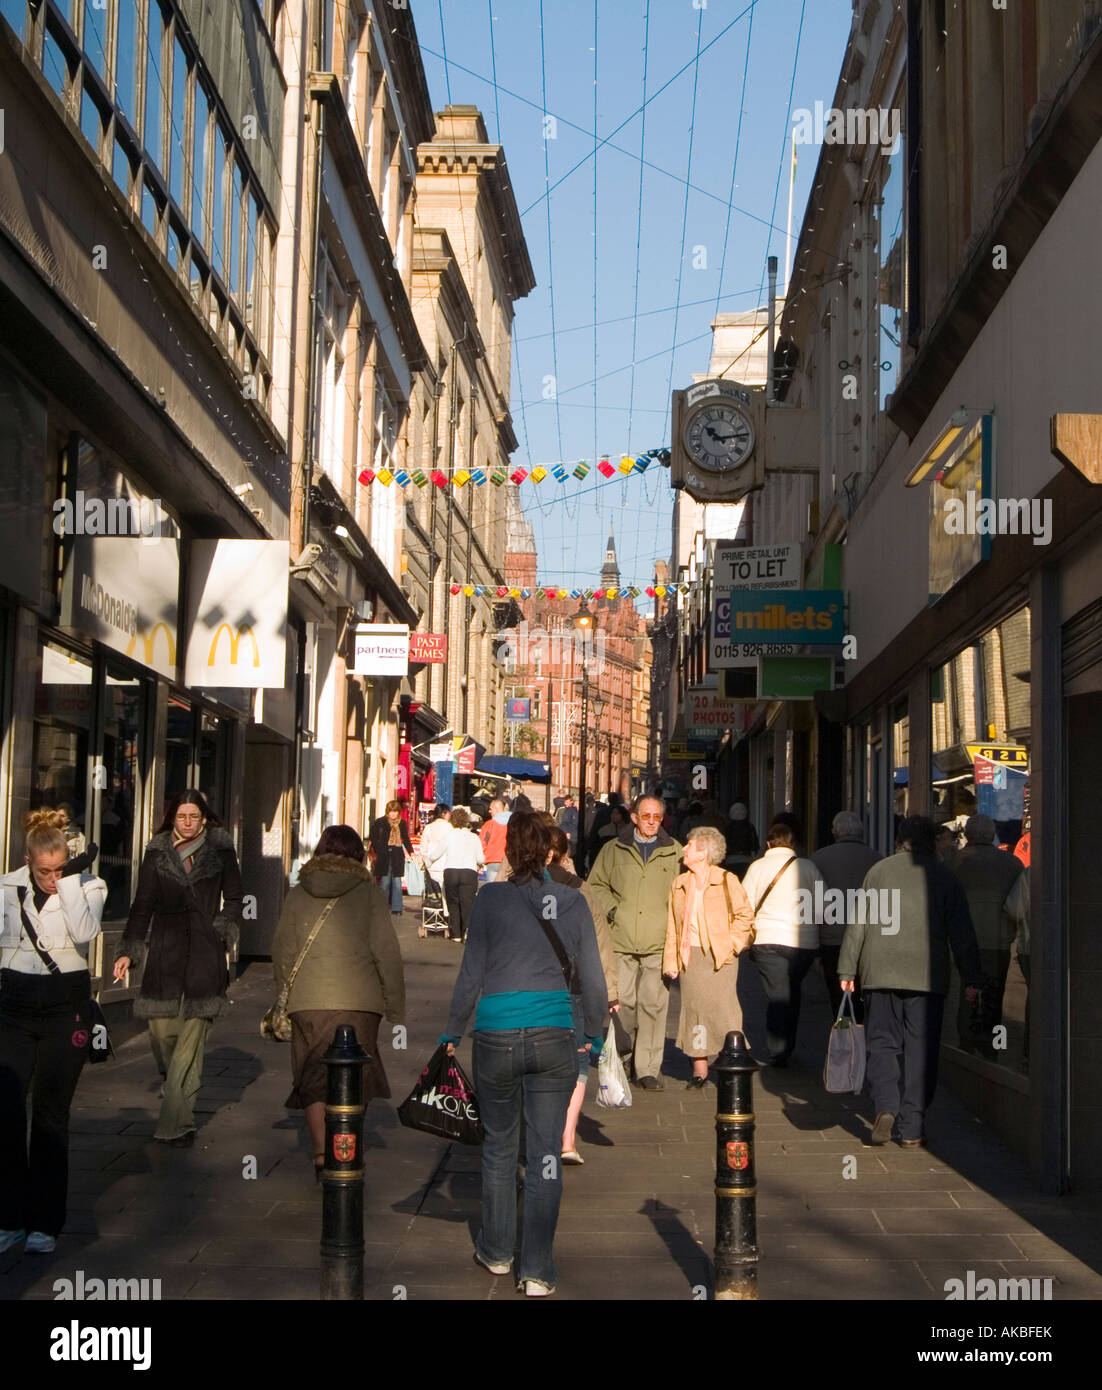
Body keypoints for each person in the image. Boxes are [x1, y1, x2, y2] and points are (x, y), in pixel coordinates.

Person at [441, 813, 606, 1296]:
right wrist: (591, 1034)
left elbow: (471, 974)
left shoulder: (490, 899)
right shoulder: (573, 902)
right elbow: (593, 981)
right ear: (552, 850)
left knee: (497, 1148)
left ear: (509, 850)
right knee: (545, 1156)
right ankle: (536, 1270)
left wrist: (452, 1031)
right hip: (554, 1035)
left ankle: (495, 1251)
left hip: (494, 1035)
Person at [839, 815, 983, 1147]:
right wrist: (972, 976)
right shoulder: (944, 876)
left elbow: (859, 922)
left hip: (880, 973)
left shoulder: (878, 872)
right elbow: (962, 934)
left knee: (883, 1045)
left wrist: (847, 970)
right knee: (921, 1050)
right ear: (931, 842)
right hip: (926, 977)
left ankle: (886, 1106)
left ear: (901, 839)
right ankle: (912, 1127)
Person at [271, 825, 404, 1180]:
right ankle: (346, 1147)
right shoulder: (370, 895)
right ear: (358, 855)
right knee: (354, 1074)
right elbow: (387, 953)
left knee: (313, 1076)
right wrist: (395, 1004)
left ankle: (320, 1152)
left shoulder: (299, 893)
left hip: (308, 1001)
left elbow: (282, 949)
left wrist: (285, 991)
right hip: (361, 1002)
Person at [0, 810, 105, 1255]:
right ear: (27, 860)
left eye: (59, 868)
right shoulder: (6, 887)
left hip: (65, 1006)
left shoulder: (90, 886)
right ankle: (9, 1218)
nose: (51, 877)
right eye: (44, 871)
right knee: (5, 1113)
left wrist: (70, 882)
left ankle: (45, 1221)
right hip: (13, 1004)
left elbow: (85, 931)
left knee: (50, 1114)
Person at [113, 789, 243, 1147]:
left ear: (204, 818)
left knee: (190, 1043)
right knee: (162, 1035)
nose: (187, 823)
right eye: (181, 817)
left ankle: (175, 1122)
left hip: (204, 950)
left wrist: (223, 928)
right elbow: (142, 904)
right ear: (172, 818)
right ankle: (175, 1088)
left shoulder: (220, 849)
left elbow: (235, 896)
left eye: (193, 817)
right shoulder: (156, 852)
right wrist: (129, 950)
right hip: (166, 952)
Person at [587, 795, 683, 1091]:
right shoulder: (613, 850)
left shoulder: (674, 851)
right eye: (647, 816)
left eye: (657, 817)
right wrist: (613, 909)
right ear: (634, 817)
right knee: (623, 1003)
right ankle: (624, 1056)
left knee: (653, 1005)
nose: (652, 822)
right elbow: (595, 885)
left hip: (658, 940)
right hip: (621, 938)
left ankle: (648, 1069)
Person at [545, 825, 618, 1164]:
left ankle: (538, 1132)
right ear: (565, 854)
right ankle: (567, 1137)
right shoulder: (582, 891)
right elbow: (599, 945)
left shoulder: (512, 889)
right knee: (577, 1061)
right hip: (573, 986)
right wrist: (609, 994)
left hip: (527, 988)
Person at [663, 827, 755, 1089]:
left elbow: (745, 916)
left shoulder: (727, 880)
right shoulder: (679, 883)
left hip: (720, 957)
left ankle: (731, 1059)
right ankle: (699, 1069)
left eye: (689, 846)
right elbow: (672, 925)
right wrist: (671, 961)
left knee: (725, 1009)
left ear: (703, 852)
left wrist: (732, 945)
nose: (684, 849)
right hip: (691, 956)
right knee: (694, 1013)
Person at [742, 822, 825, 1068]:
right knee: (791, 990)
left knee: (778, 993)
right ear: (792, 844)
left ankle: (779, 1048)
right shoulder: (808, 867)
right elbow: (823, 905)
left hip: (768, 940)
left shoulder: (757, 867)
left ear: (768, 844)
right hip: (803, 943)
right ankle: (785, 1045)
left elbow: (743, 904)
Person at [950, 814, 1024, 1058]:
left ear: (967, 834)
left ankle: (965, 1045)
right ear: (992, 835)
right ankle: (994, 1046)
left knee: (965, 993)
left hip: (961, 940)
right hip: (998, 941)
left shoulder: (954, 862)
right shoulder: (1011, 864)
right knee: (995, 995)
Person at [811, 811, 883, 1021]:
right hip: (868, 938)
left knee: (838, 995)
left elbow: (812, 903)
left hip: (832, 938)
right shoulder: (878, 860)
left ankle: (844, 1033)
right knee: (864, 992)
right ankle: (860, 1030)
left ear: (835, 832)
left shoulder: (819, 859)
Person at [439, 808, 483, 942]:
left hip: (451, 871)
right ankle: (467, 931)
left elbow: (436, 853)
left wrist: (428, 863)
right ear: (466, 821)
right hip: (469, 872)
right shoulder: (474, 837)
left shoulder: (449, 835)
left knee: (453, 902)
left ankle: (456, 934)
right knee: (467, 903)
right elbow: (481, 858)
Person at [368, 801, 413, 918]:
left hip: (397, 855)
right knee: (385, 881)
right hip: (384, 855)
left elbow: (406, 838)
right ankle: (382, 906)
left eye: (395, 812)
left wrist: (411, 852)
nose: (393, 814)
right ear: (387, 811)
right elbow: (373, 836)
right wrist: (379, 849)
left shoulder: (402, 823)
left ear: (398, 812)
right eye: (391, 811)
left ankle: (397, 908)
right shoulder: (380, 822)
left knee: (397, 881)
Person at [418, 805, 452, 899]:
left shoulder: (428, 827)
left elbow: (423, 847)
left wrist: (423, 861)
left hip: (431, 864)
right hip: (446, 863)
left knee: (433, 891)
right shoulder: (449, 827)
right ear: (444, 814)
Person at [478, 799, 511, 883]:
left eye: (491, 809)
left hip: (492, 860)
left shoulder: (490, 824)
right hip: (508, 861)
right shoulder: (513, 823)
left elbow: (482, 842)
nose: (489, 811)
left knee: (492, 891)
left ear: (496, 809)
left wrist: (480, 860)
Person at [724, 802, 760, 878]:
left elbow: (724, 845)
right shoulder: (750, 827)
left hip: (730, 860)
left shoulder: (728, 828)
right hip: (746, 859)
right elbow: (755, 845)